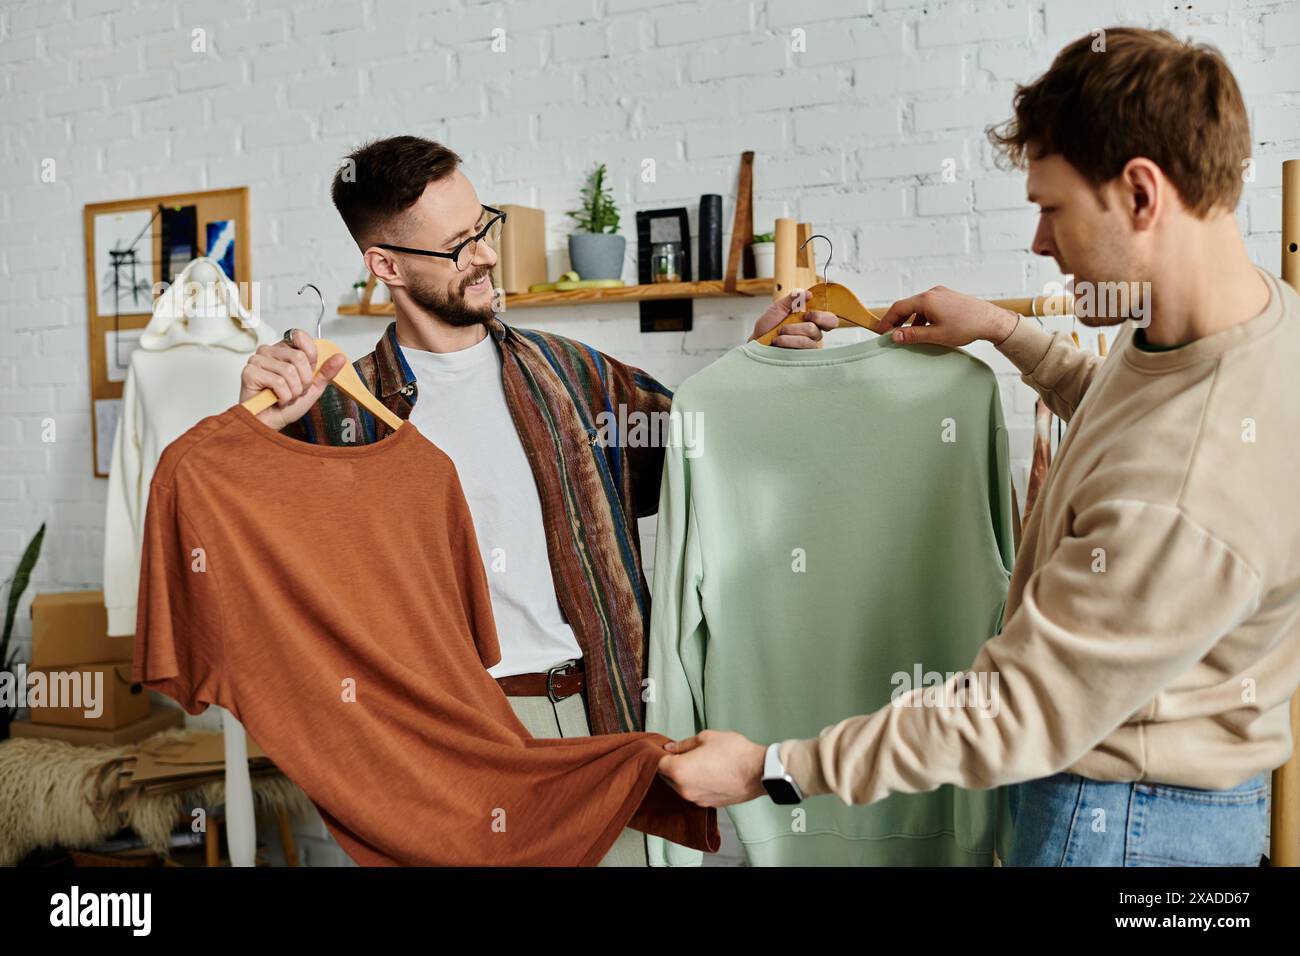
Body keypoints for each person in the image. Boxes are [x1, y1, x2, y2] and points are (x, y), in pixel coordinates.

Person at [657, 27, 1300, 867]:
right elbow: (1120, 417)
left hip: (1125, 829)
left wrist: (774, 767)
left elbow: (1014, 707)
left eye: (1050, 208)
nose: (1038, 243)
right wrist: (1003, 332)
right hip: (1160, 805)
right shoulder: (1248, 324)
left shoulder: (1191, 475)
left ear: (1141, 194)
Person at [237, 134, 835, 866]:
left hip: (598, 721)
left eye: (484, 227)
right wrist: (256, 428)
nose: (487, 255)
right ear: (385, 266)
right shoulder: (339, 417)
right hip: (453, 748)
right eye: (459, 245)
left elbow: (699, 455)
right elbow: (258, 575)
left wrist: (754, 360)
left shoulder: (571, 377)